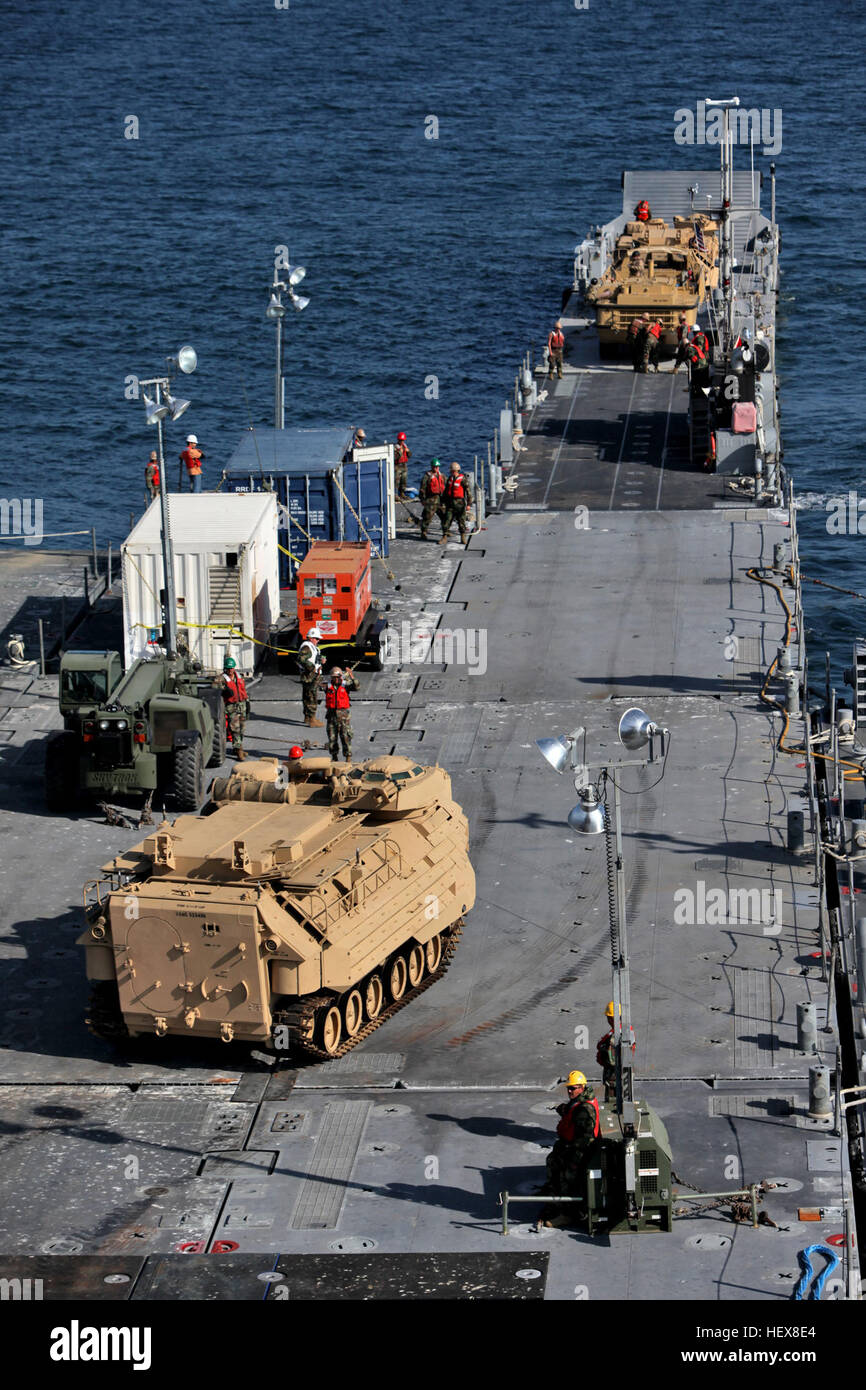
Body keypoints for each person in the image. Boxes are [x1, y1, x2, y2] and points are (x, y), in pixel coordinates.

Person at [540, 1070, 601, 1225]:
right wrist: (561, 1108)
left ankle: (568, 1213)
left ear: (581, 1087)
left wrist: (571, 1155)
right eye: (568, 1088)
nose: (569, 1091)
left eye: (573, 1088)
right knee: (552, 1161)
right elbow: (570, 1110)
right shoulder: (580, 1101)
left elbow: (585, 1138)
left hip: (580, 1152)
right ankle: (553, 1198)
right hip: (572, 1145)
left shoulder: (584, 1110)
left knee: (567, 1177)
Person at [325, 666, 358, 761]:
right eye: (333, 677)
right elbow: (316, 683)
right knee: (332, 738)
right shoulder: (327, 686)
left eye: (337, 677)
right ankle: (334, 757)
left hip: (343, 717)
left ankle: (348, 757)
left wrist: (351, 676)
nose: (335, 679)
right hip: (331, 717)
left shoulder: (345, 685)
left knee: (346, 737)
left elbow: (357, 686)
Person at [439, 461, 473, 545]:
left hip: (460, 504)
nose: (452, 472)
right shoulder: (449, 479)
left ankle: (463, 537)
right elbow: (446, 491)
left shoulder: (463, 480)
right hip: (450, 503)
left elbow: (468, 492)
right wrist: (442, 502)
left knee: (461, 521)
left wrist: (469, 504)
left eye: (453, 470)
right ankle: (444, 537)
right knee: (446, 520)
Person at [221, 657, 248, 761]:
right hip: (231, 707)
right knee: (235, 729)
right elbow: (214, 686)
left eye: (232, 668)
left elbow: (243, 690)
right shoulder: (222, 678)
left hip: (242, 705)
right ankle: (239, 750)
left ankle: (237, 747)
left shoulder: (239, 676)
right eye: (228, 668)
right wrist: (224, 690)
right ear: (225, 668)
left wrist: (247, 702)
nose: (230, 670)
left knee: (242, 728)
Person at [298, 626, 324, 727]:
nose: (318, 641)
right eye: (317, 639)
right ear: (311, 638)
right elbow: (301, 659)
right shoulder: (307, 647)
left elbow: (311, 659)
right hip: (310, 676)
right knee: (312, 697)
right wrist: (312, 668)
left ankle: (307, 717)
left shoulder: (312, 647)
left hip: (311, 675)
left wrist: (321, 661)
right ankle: (312, 719)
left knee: (307, 696)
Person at [419, 458, 447, 540]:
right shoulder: (427, 477)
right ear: (432, 467)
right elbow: (422, 489)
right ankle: (423, 532)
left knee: (444, 516)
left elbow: (446, 486)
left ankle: (445, 532)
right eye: (434, 467)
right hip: (431, 500)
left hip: (440, 500)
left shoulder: (442, 476)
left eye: (437, 467)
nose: (436, 468)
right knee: (427, 517)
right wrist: (422, 499)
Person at [596, 1003, 617, 1102]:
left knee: (611, 1102)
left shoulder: (616, 1034)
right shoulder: (617, 1031)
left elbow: (613, 1060)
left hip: (613, 1076)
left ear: (612, 1018)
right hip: (613, 1074)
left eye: (609, 1017)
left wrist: (603, 1049)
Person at [394, 432, 411, 499]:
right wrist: (399, 452)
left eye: (403, 440)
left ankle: (402, 493)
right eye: (401, 440)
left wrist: (408, 452)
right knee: (397, 481)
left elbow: (409, 455)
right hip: (398, 466)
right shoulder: (395, 447)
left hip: (404, 465)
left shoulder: (405, 446)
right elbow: (395, 457)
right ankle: (395, 495)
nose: (402, 442)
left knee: (404, 480)